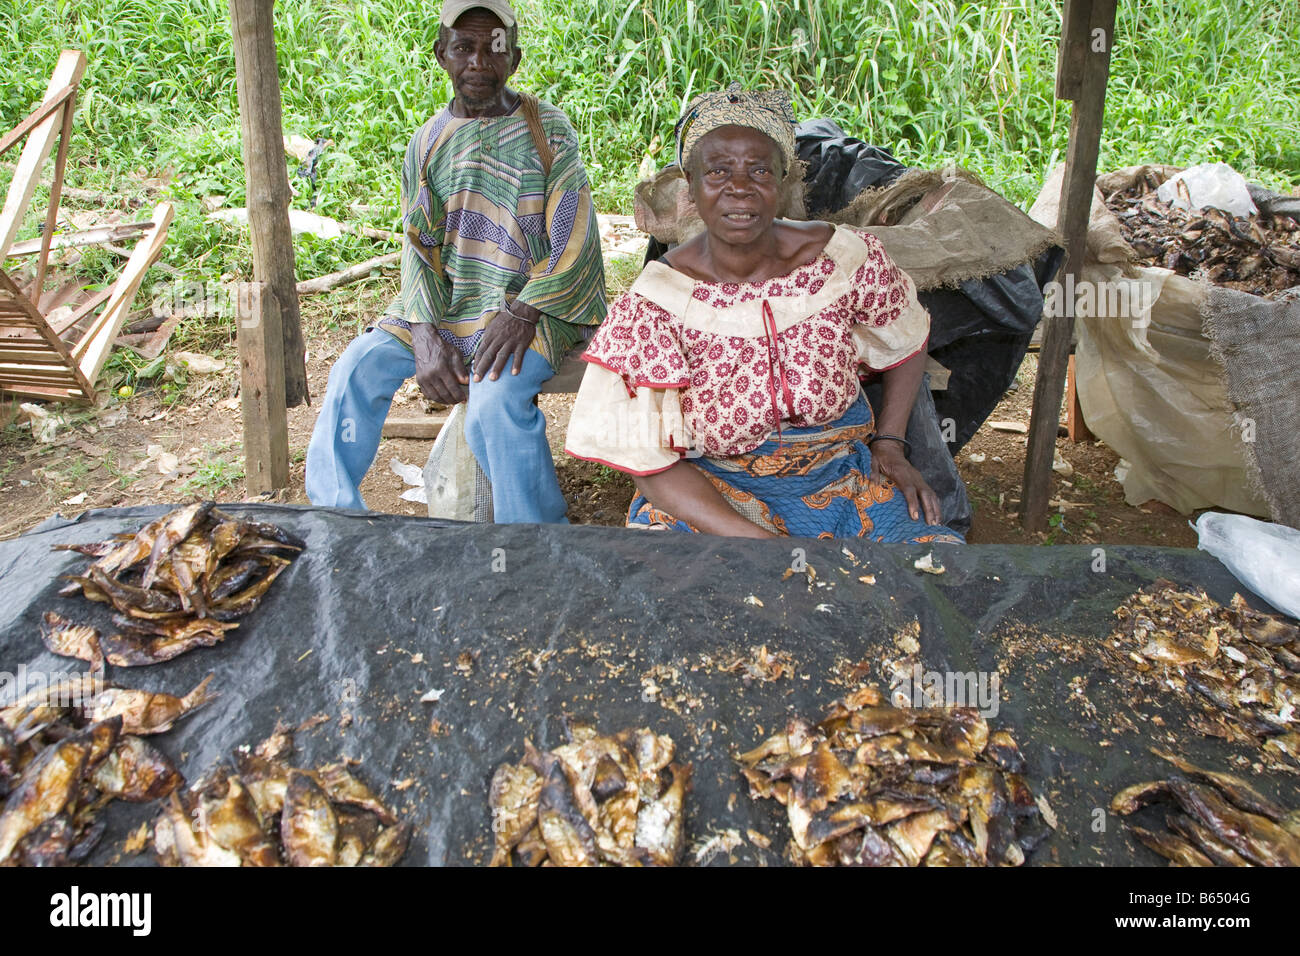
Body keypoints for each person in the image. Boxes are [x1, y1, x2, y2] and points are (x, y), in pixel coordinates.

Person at [565, 86, 963, 543]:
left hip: (840, 479)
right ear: (690, 187)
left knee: (927, 574)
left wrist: (891, 443)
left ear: (783, 181)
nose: (740, 187)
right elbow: (650, 466)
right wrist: (767, 548)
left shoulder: (841, 259)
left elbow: (905, 336)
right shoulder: (657, 301)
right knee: (704, 604)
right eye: (718, 171)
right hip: (713, 494)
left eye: (759, 170)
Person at [306, 0, 606, 521]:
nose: (478, 63)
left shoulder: (548, 130)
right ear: (442, 54)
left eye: (494, 49)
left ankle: (533, 542)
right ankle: (337, 522)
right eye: (463, 48)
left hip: (531, 306)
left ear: (514, 58)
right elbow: (419, 247)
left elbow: (574, 236)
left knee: (493, 400)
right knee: (357, 366)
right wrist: (424, 334)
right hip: (445, 303)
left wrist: (523, 311)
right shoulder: (426, 142)